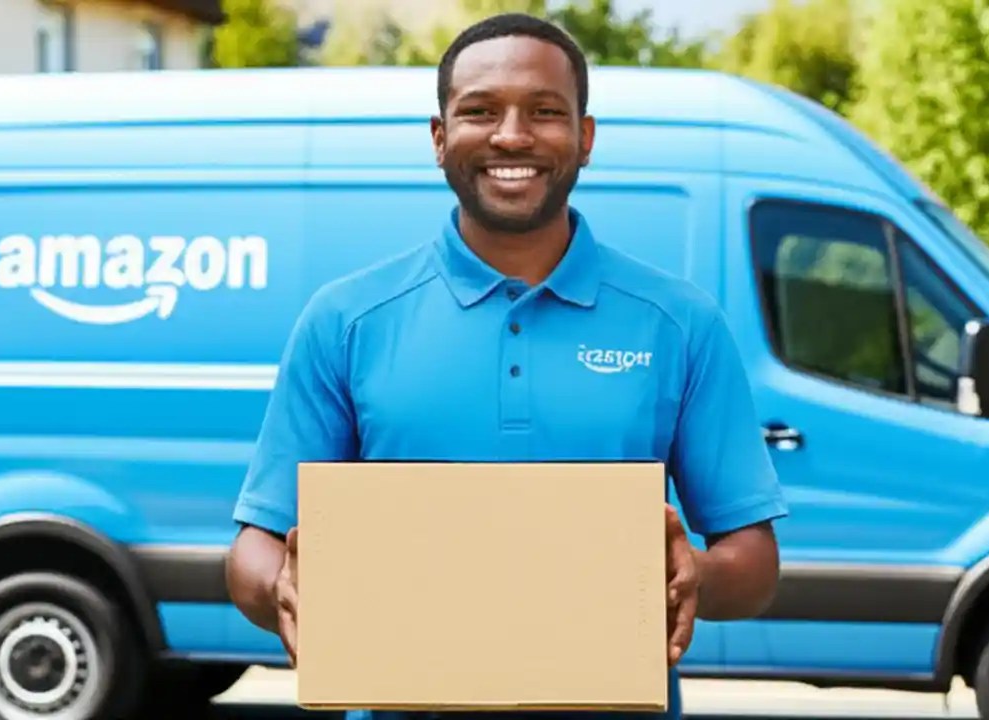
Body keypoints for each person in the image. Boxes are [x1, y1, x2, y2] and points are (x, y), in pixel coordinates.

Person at [225, 12, 788, 720]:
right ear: (439, 139)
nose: (512, 135)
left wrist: (691, 575)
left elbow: (756, 564)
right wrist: (282, 585)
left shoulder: (679, 323)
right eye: (480, 111)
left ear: (585, 139)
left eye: (546, 112)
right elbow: (254, 547)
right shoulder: (346, 321)